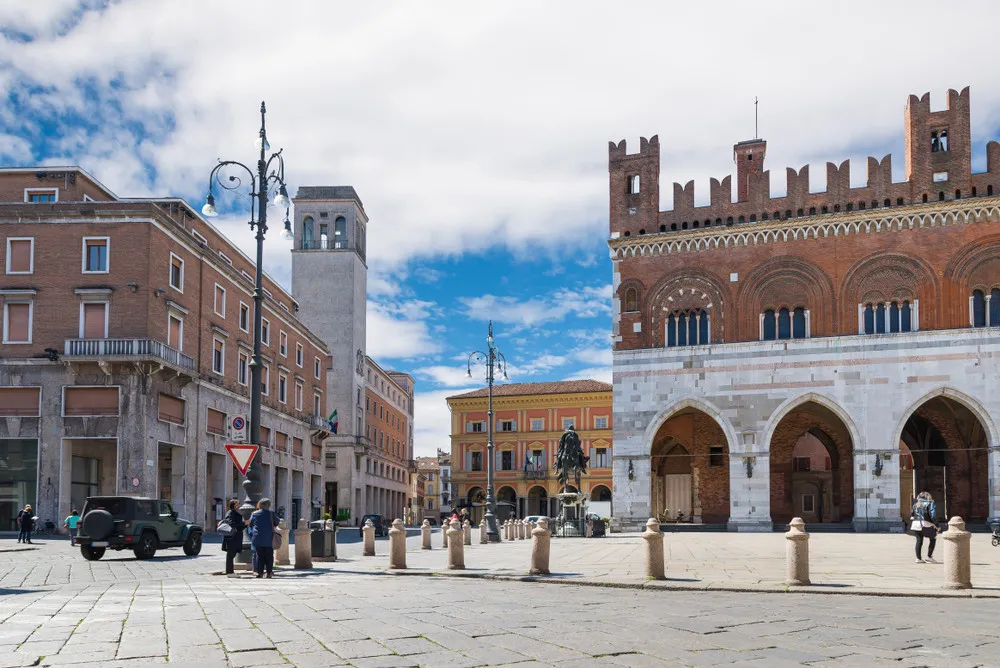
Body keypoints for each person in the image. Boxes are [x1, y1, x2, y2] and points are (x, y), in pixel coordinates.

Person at [248, 497, 279, 578]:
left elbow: (251, 524)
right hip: (269, 538)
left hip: (258, 538)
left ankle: (259, 572)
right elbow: (277, 522)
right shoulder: (271, 513)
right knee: (269, 556)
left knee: (259, 556)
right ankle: (269, 572)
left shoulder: (254, 514)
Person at [910, 491, 939, 563]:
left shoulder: (916, 504)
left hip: (916, 524)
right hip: (926, 523)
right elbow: (933, 515)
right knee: (933, 538)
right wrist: (937, 525)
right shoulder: (930, 503)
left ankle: (918, 558)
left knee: (919, 541)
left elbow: (912, 515)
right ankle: (929, 557)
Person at [221, 500, 246, 575]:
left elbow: (238, 525)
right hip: (232, 537)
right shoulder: (230, 512)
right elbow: (231, 523)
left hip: (235, 536)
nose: (239, 505)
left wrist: (245, 524)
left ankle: (230, 571)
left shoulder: (234, 512)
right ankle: (229, 571)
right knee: (231, 554)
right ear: (234, 505)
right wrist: (243, 523)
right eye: (238, 503)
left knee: (232, 553)